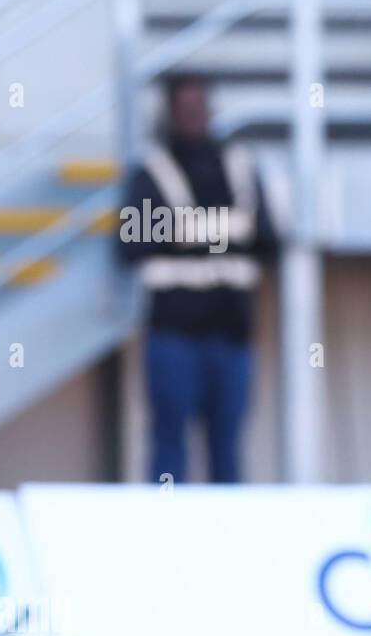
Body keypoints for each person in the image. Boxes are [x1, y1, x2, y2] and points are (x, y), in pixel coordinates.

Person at [118, 75, 279, 484]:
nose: (192, 116)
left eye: (198, 106)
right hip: (173, 335)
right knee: (169, 447)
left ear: (210, 111)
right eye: (182, 107)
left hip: (232, 335)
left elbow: (269, 240)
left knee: (227, 450)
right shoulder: (152, 172)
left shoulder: (240, 166)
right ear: (169, 115)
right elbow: (128, 243)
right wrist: (225, 231)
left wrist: (180, 233)